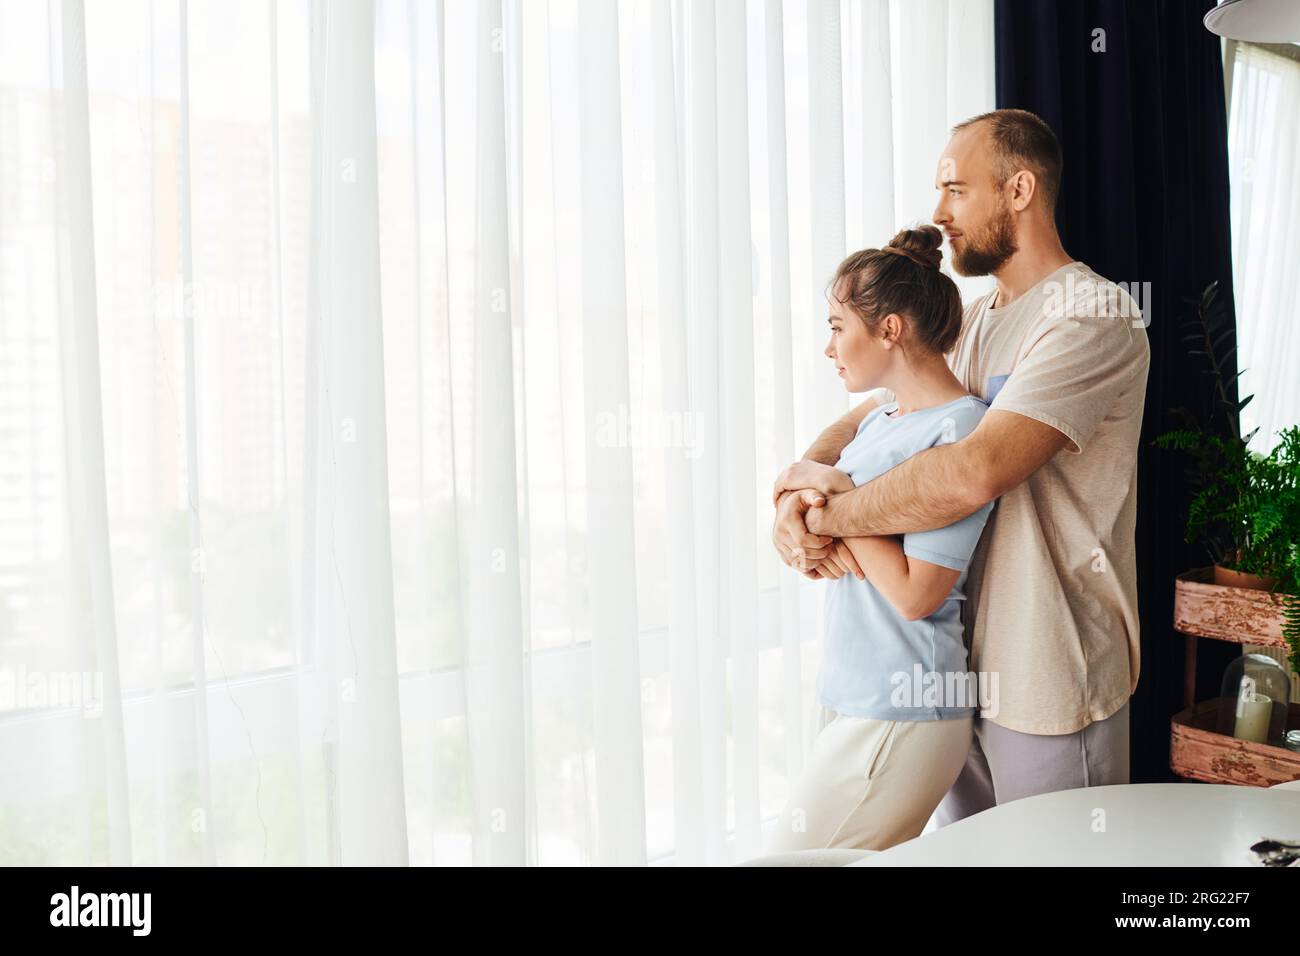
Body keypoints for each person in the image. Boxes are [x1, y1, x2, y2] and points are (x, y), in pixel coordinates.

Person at [772, 108, 1149, 827]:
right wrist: (796, 488)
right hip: (953, 667)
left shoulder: (1089, 315)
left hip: (1048, 670)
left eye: (955, 189)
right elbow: (871, 419)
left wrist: (833, 514)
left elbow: (974, 470)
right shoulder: (976, 320)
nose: (939, 213)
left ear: (1019, 190)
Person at [767, 225, 994, 853]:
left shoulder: (958, 428)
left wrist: (836, 492)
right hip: (853, 693)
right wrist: (816, 514)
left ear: (890, 329)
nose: (828, 345)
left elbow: (918, 592)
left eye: (838, 326)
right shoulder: (880, 419)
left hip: (904, 704)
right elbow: (838, 534)